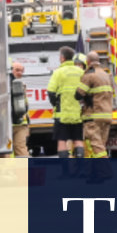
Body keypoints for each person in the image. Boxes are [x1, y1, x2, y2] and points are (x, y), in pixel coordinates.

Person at [46, 46, 85, 174]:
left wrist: (55, 104)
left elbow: (51, 92)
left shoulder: (58, 72)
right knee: (78, 140)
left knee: (62, 141)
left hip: (62, 114)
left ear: (62, 58)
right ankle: (80, 169)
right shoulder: (80, 71)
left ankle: (66, 171)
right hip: (78, 114)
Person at [77, 51, 115, 181]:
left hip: (93, 116)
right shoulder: (106, 74)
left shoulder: (89, 75)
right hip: (107, 115)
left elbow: (78, 95)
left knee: (95, 145)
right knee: (101, 146)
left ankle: (106, 171)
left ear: (88, 62)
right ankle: (96, 174)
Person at [10, 61, 30, 157]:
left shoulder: (21, 84)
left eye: (22, 71)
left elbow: (25, 104)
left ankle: (24, 171)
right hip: (8, 125)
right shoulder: (4, 84)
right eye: (17, 70)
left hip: (20, 124)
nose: (20, 73)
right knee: (6, 151)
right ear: (11, 70)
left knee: (20, 149)